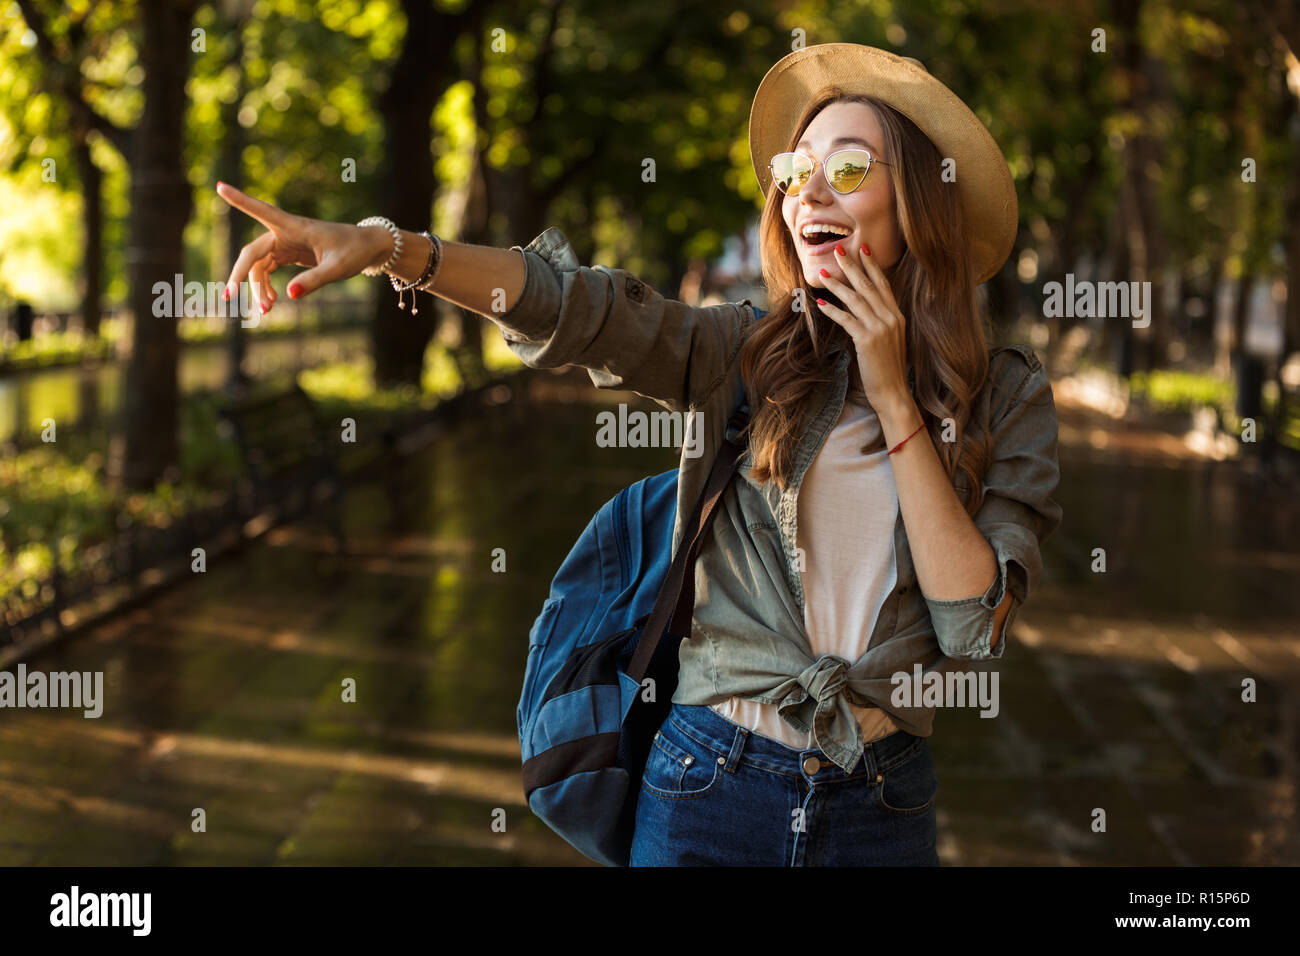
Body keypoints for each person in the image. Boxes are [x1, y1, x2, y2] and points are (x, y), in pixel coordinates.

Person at [217, 42, 1062, 867]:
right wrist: (392, 248)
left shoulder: (1005, 396)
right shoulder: (745, 352)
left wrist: (891, 393)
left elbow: (970, 626)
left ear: (916, 199)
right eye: (794, 171)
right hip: (707, 788)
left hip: (883, 805)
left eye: (846, 169)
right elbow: (575, 307)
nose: (809, 194)